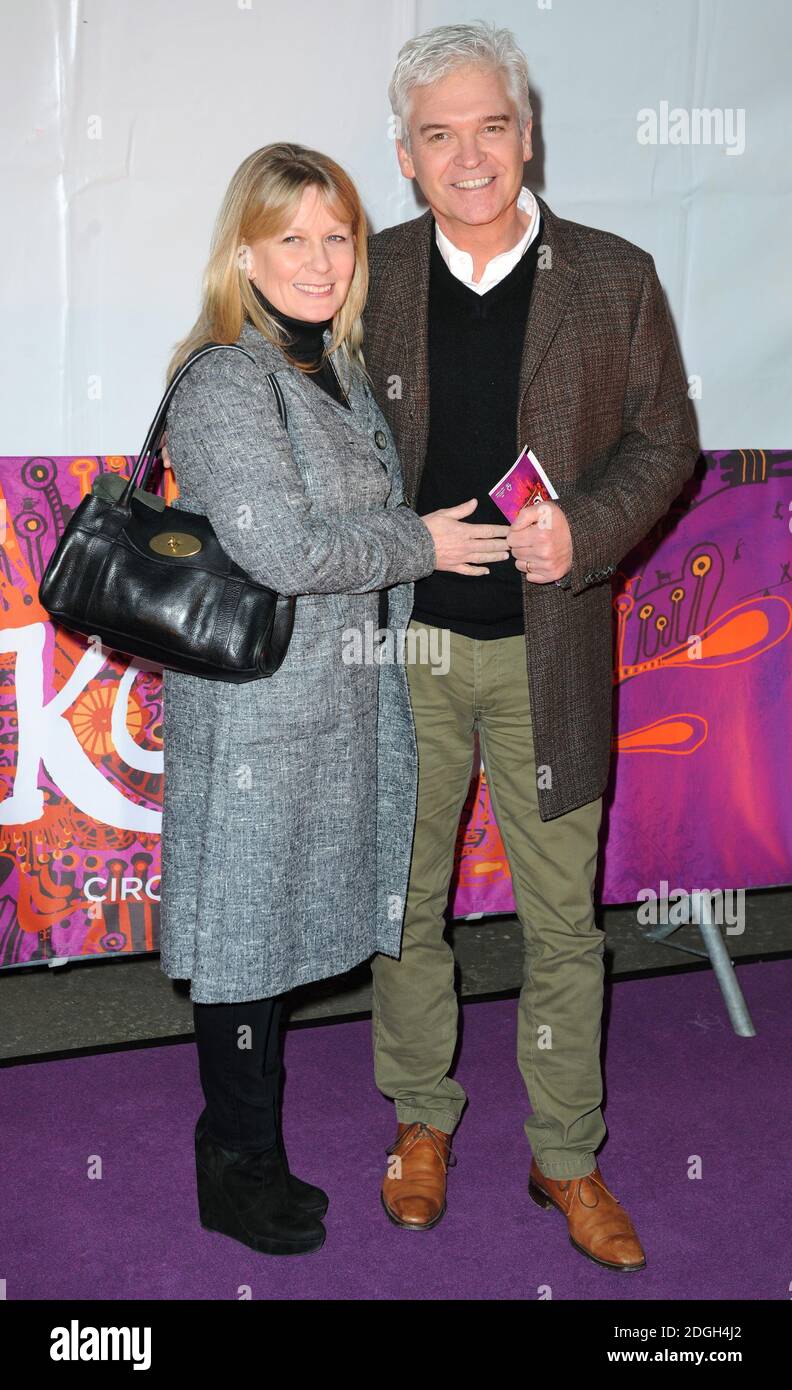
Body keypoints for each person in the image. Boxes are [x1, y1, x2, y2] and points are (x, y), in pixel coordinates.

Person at [363, 22, 700, 1270]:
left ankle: (565, 1150)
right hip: (401, 656)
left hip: (549, 653)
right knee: (404, 906)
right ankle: (421, 1121)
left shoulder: (614, 277)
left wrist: (589, 532)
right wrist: (399, 539)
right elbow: (330, 460)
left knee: (563, 920)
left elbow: (667, 445)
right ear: (405, 156)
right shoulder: (371, 278)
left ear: (528, 131)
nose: (468, 155)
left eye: (488, 126)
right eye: (438, 134)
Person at [159, 141, 511, 1256]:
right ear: (244, 253)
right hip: (259, 708)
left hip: (336, 705)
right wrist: (423, 541)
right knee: (244, 941)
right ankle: (236, 1163)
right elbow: (280, 546)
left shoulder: (339, 371)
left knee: (278, 939)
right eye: (291, 239)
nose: (319, 261)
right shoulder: (226, 375)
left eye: (337, 236)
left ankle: (254, 1146)